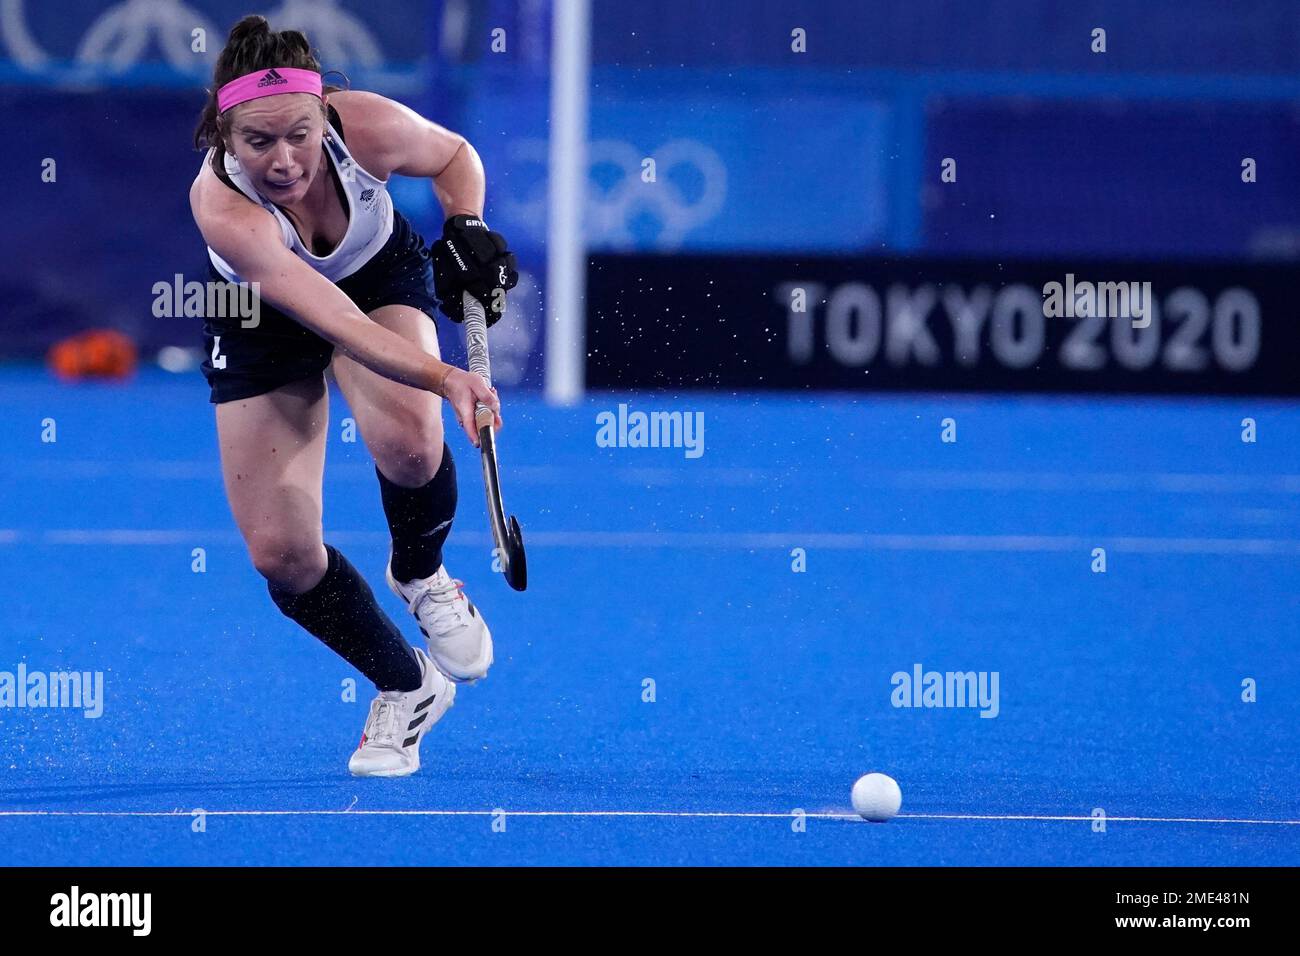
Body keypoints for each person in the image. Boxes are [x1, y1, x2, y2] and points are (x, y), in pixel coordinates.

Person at [189, 15, 518, 777]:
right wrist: (448, 377)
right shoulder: (224, 207)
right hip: (264, 319)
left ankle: (422, 571)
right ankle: (409, 686)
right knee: (282, 556)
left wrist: (465, 222)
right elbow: (330, 322)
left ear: (323, 112)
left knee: (410, 440)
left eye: (299, 135)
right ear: (225, 137)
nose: (285, 161)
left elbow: (455, 156)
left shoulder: (365, 126)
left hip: (376, 274)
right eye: (259, 142)